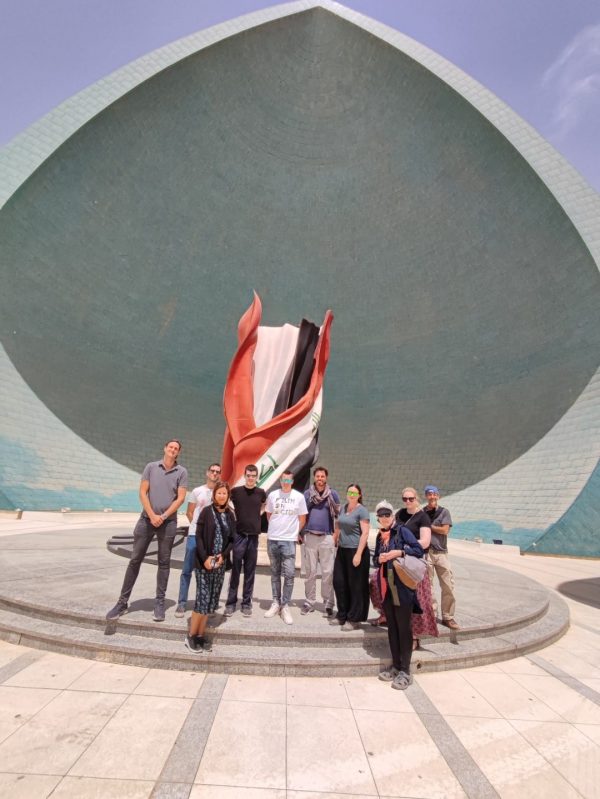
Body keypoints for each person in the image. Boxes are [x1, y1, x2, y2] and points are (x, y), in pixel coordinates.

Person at [106, 440, 188, 622]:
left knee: (164, 562)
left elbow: (180, 498)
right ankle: (122, 602)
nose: (172, 450)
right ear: (165, 449)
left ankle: (159, 603)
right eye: (170, 447)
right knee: (135, 559)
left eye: (176, 449)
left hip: (168, 523)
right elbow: (143, 492)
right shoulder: (151, 467)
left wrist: (163, 516)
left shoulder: (181, 472)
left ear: (178, 453)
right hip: (146, 520)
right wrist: (152, 515)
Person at [374, 500, 424, 689]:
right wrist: (378, 558)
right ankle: (396, 666)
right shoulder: (380, 536)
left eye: (387, 514)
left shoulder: (402, 531)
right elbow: (376, 558)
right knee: (393, 628)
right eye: (381, 515)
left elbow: (419, 550)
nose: (385, 518)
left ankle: (405, 671)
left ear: (393, 516)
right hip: (387, 587)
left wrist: (399, 552)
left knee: (404, 629)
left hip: (402, 587)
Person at [185, 481, 235, 653]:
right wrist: (205, 557)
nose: (222, 496)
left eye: (225, 494)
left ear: (228, 497)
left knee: (211, 601)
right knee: (202, 600)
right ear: (214, 495)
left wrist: (223, 555)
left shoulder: (229, 514)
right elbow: (198, 536)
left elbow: (232, 539)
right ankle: (191, 635)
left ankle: (200, 635)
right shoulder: (206, 512)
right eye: (219, 493)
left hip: (219, 564)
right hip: (204, 563)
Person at [175, 463, 221, 617]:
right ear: (207, 472)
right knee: (187, 570)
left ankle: (206, 603)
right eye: (212, 471)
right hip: (195, 535)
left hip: (212, 539)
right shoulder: (197, 491)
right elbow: (190, 512)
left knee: (208, 571)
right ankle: (181, 603)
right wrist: (198, 528)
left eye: (217, 472)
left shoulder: (220, 493)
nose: (214, 474)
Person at [396, 487, 439, 648]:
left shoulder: (423, 517)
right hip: (400, 560)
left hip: (415, 562)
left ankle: (414, 635)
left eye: (411, 499)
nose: (408, 502)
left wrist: (405, 546)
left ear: (416, 499)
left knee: (416, 598)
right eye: (405, 499)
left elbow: (425, 541)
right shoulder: (399, 514)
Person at [264, 470, 308, 625]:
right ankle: (276, 602)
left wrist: (294, 532)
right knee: (275, 573)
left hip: (289, 541)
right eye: (283, 480)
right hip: (273, 539)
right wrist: (277, 528)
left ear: (292, 482)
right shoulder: (272, 495)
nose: (286, 483)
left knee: (289, 574)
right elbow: (269, 515)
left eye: (288, 481)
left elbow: (302, 518)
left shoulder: (299, 497)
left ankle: (285, 605)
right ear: (280, 481)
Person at [225, 464, 267, 617]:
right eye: (248, 475)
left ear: (257, 477)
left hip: (253, 537)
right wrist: (234, 513)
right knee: (236, 570)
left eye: (253, 476)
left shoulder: (261, 493)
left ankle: (246, 603)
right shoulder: (236, 492)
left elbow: (264, 505)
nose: (250, 478)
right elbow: (225, 502)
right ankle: (230, 603)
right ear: (244, 476)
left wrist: (258, 515)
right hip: (239, 536)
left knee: (250, 571)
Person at [301, 466, 341, 617]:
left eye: (322, 476)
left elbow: (338, 517)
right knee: (310, 572)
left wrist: (335, 537)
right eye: (317, 476)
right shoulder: (307, 495)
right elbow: (302, 515)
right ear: (314, 478)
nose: (320, 479)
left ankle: (328, 603)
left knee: (328, 572)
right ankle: (309, 602)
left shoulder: (333, 495)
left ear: (326, 478)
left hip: (327, 538)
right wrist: (300, 532)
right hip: (310, 537)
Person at [332, 484, 370, 630]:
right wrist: (335, 540)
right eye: (349, 492)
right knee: (339, 582)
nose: (351, 495)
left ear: (359, 495)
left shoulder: (362, 511)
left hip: (356, 551)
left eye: (354, 493)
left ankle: (354, 618)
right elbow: (338, 526)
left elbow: (365, 533)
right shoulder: (343, 507)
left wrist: (359, 554)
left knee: (356, 586)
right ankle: (342, 614)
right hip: (342, 550)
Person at [423, 485, 459, 630]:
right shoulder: (422, 512)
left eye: (434, 494)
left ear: (438, 496)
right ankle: (432, 614)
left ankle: (448, 617)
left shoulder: (444, 512)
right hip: (427, 553)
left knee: (448, 585)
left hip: (441, 553)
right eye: (429, 494)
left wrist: (429, 526)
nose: (432, 497)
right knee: (428, 587)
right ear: (426, 496)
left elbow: (445, 530)